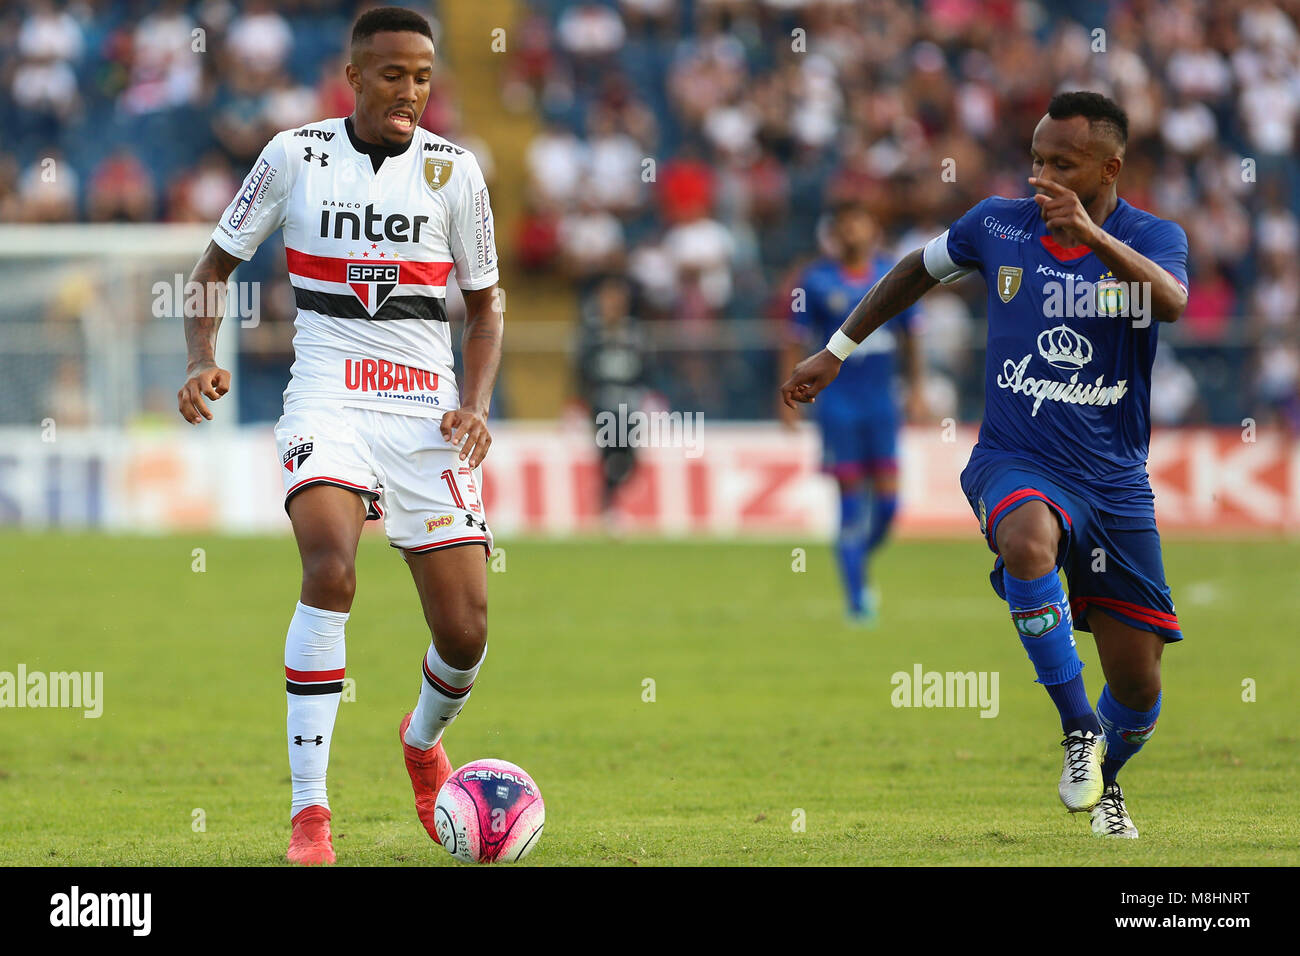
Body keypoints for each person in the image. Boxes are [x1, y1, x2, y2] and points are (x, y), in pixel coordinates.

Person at [781, 92, 1189, 838]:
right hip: (1016, 457)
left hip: (1115, 478)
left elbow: (1170, 302)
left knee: (1140, 683)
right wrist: (837, 349)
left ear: (1110, 167)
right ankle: (1076, 732)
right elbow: (914, 270)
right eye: (1036, 159)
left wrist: (1092, 237)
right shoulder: (997, 224)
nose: (1042, 176)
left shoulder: (1150, 236)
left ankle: (1109, 778)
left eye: (1061, 164)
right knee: (1027, 542)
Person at [176, 7, 502, 864]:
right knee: (330, 565)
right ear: (353, 77)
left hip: (426, 412)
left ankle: (423, 740)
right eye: (393, 74)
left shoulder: (455, 172)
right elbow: (213, 268)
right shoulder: (294, 155)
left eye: (423, 78)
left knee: (465, 633)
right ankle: (310, 817)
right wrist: (201, 357)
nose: (410, 93)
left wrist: (478, 402)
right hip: (327, 399)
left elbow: (488, 306)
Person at [780, 200, 924, 624]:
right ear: (834, 233)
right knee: (847, 502)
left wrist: (916, 389)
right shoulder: (815, 280)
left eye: (858, 223)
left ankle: (857, 561)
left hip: (881, 402)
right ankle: (857, 598)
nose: (850, 233)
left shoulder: (895, 275)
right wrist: (784, 400)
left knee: (888, 506)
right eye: (842, 226)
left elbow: (912, 337)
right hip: (838, 406)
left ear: (873, 228)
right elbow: (793, 339)